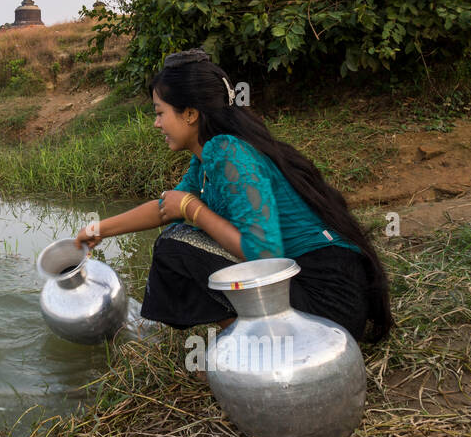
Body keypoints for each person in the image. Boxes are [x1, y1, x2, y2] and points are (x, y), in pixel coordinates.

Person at [74, 48, 393, 344]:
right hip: (316, 298)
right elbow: (164, 208)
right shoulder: (209, 156)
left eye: (160, 112)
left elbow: (264, 256)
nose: (157, 124)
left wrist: (192, 209)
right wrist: (98, 230)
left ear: (189, 114)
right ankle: (247, 342)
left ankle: (251, 347)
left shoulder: (229, 153)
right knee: (179, 235)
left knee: (176, 245)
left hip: (327, 307)